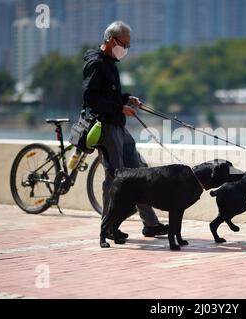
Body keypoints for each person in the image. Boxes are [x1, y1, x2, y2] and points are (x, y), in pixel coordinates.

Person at [82, 21, 168, 238]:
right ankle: (108, 227)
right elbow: (91, 100)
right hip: (106, 128)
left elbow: (108, 95)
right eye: (125, 44)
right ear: (111, 40)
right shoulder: (96, 64)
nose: (126, 49)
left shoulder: (110, 63)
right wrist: (119, 107)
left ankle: (151, 224)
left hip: (119, 126)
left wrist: (126, 99)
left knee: (140, 171)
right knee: (116, 179)